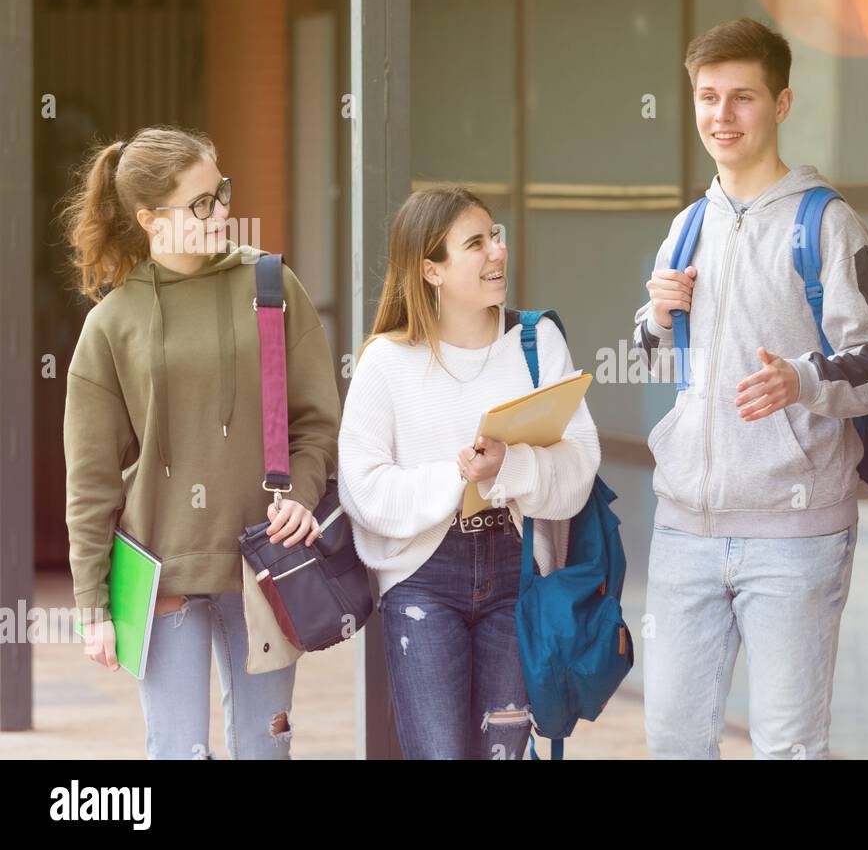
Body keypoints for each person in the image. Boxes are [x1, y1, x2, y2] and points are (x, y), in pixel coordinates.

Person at [633, 17, 868, 759]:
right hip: (685, 528)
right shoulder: (688, 225)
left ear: (781, 106)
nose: (721, 117)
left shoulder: (826, 224)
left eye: (742, 98)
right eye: (707, 97)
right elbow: (662, 365)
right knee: (675, 743)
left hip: (796, 534)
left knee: (787, 747)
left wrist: (802, 379)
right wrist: (657, 319)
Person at [61, 126, 340, 759]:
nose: (222, 214)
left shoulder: (271, 288)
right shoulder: (111, 324)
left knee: (265, 751)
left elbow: (317, 421)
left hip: (265, 564)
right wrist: (92, 604)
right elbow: (92, 478)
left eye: (222, 193)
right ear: (150, 221)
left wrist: (299, 493)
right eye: (201, 203)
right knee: (176, 753)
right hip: (162, 574)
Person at [338, 186, 599, 759]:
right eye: (475, 243)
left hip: (517, 573)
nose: (496, 253)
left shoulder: (536, 344)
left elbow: (579, 468)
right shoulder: (386, 361)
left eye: (496, 236)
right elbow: (363, 489)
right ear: (431, 269)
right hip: (422, 580)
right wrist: (460, 478)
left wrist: (511, 466)